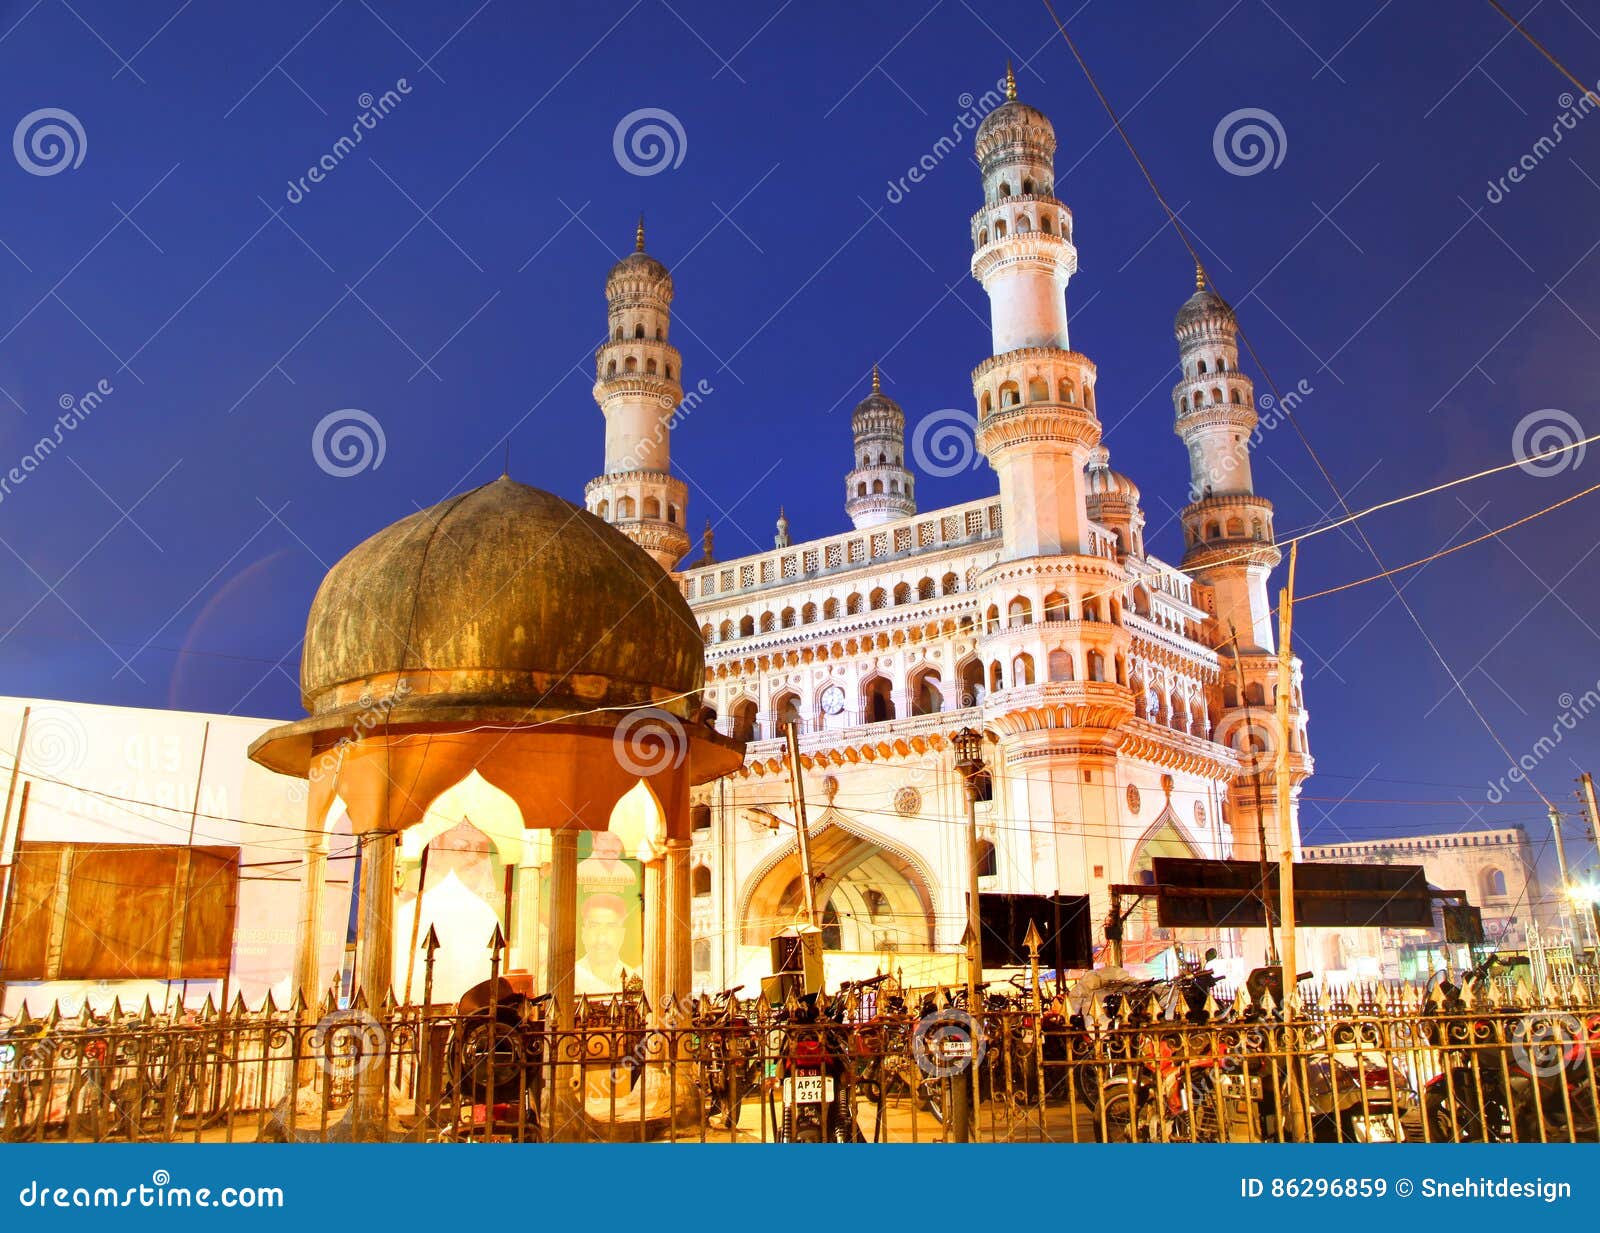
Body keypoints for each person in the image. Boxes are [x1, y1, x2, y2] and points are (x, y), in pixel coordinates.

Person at [573, 892, 639, 995]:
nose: (602, 936)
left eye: (611, 926)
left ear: (622, 934)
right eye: (594, 926)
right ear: (583, 933)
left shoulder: (634, 981)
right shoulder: (571, 978)